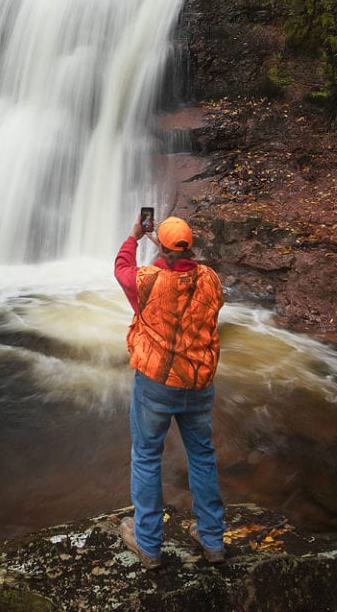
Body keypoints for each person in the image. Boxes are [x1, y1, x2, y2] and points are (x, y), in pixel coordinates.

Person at [114, 212, 226, 570]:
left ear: (161, 249)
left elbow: (121, 269)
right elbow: (203, 294)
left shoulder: (148, 281)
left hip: (157, 383)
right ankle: (212, 540)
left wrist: (135, 237)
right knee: (202, 456)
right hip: (198, 383)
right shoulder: (209, 278)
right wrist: (169, 253)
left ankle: (148, 545)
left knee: (147, 457)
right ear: (189, 249)